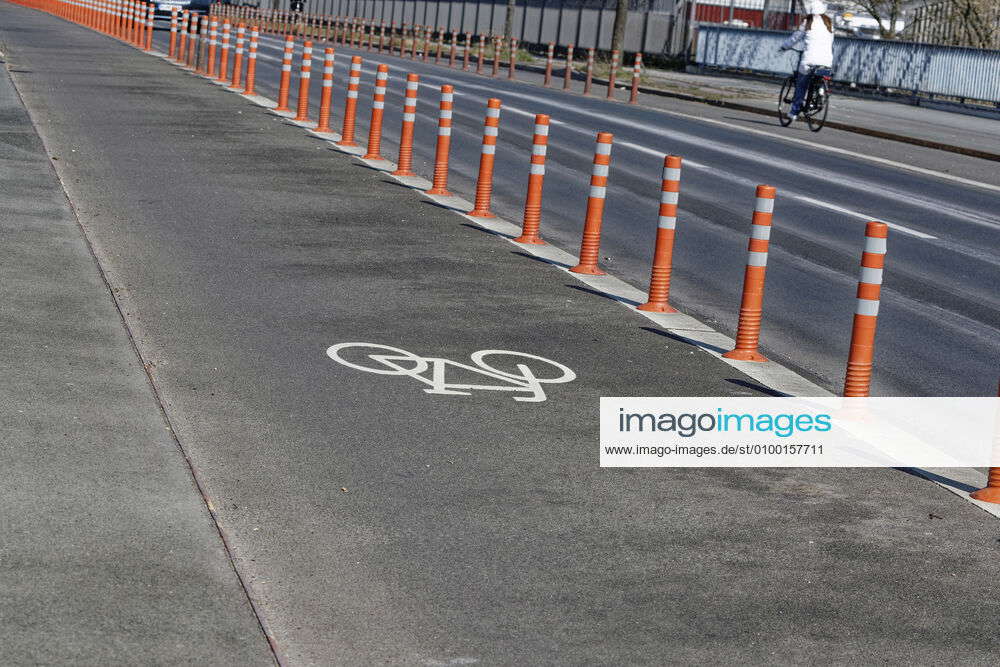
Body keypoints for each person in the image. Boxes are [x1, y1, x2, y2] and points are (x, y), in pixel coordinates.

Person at [780, 0, 834, 122]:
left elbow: (795, 38)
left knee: (801, 84)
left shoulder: (807, 22)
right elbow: (831, 41)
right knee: (819, 76)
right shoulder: (829, 23)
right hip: (826, 60)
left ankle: (794, 111)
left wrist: (784, 46)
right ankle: (820, 91)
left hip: (809, 59)